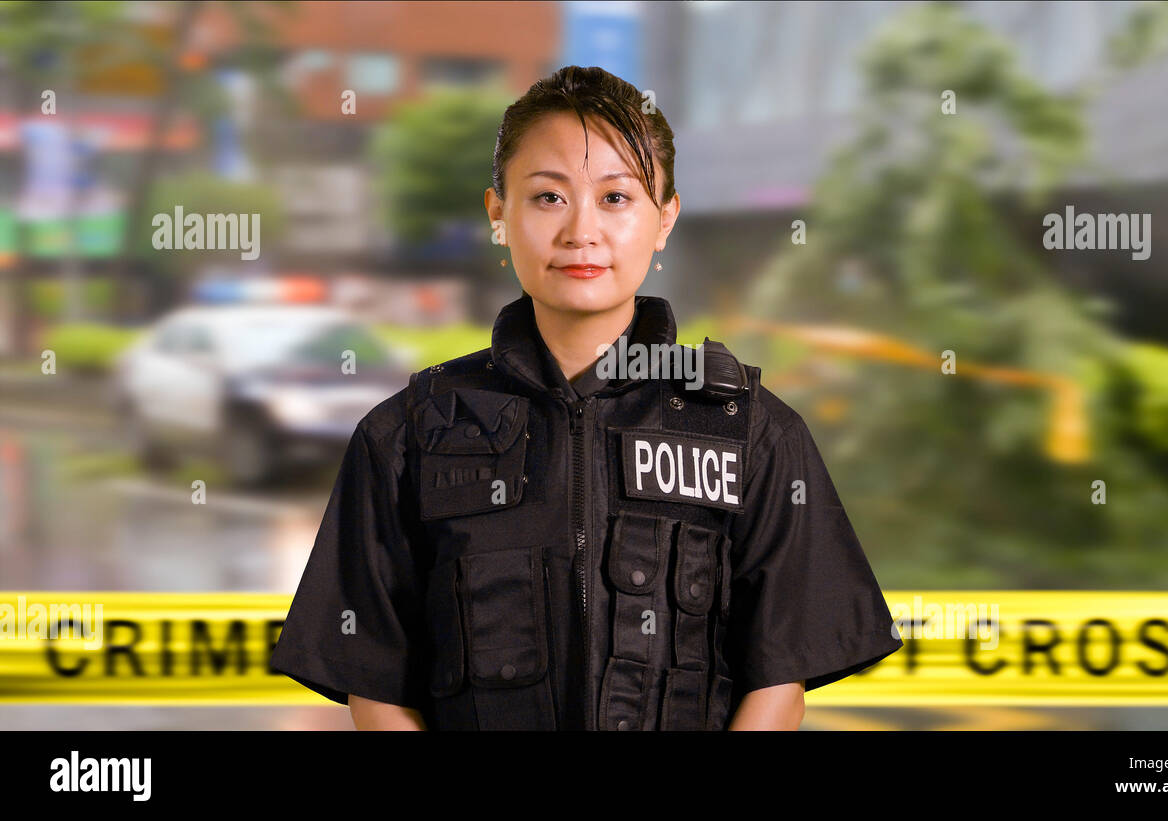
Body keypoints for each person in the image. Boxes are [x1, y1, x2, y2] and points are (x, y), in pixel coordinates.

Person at [270, 66, 903, 731]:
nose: (581, 231)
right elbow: (376, 685)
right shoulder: (405, 436)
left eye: (616, 198)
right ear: (498, 213)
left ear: (665, 219)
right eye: (548, 198)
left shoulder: (750, 430)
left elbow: (778, 680)